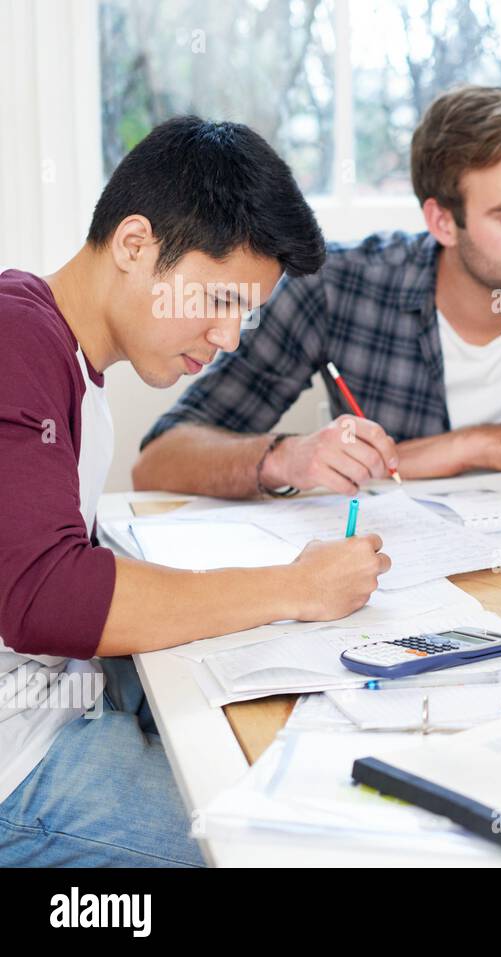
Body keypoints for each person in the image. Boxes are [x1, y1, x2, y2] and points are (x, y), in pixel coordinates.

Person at [0, 117, 389, 866]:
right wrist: (292, 586)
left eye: (245, 313)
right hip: (20, 761)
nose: (230, 338)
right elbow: (44, 597)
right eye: (219, 301)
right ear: (134, 244)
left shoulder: (68, 356)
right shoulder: (17, 340)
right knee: (259, 847)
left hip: (60, 700)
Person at [132, 86, 501, 498]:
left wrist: (472, 446)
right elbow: (161, 459)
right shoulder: (341, 287)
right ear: (442, 223)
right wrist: (286, 457)